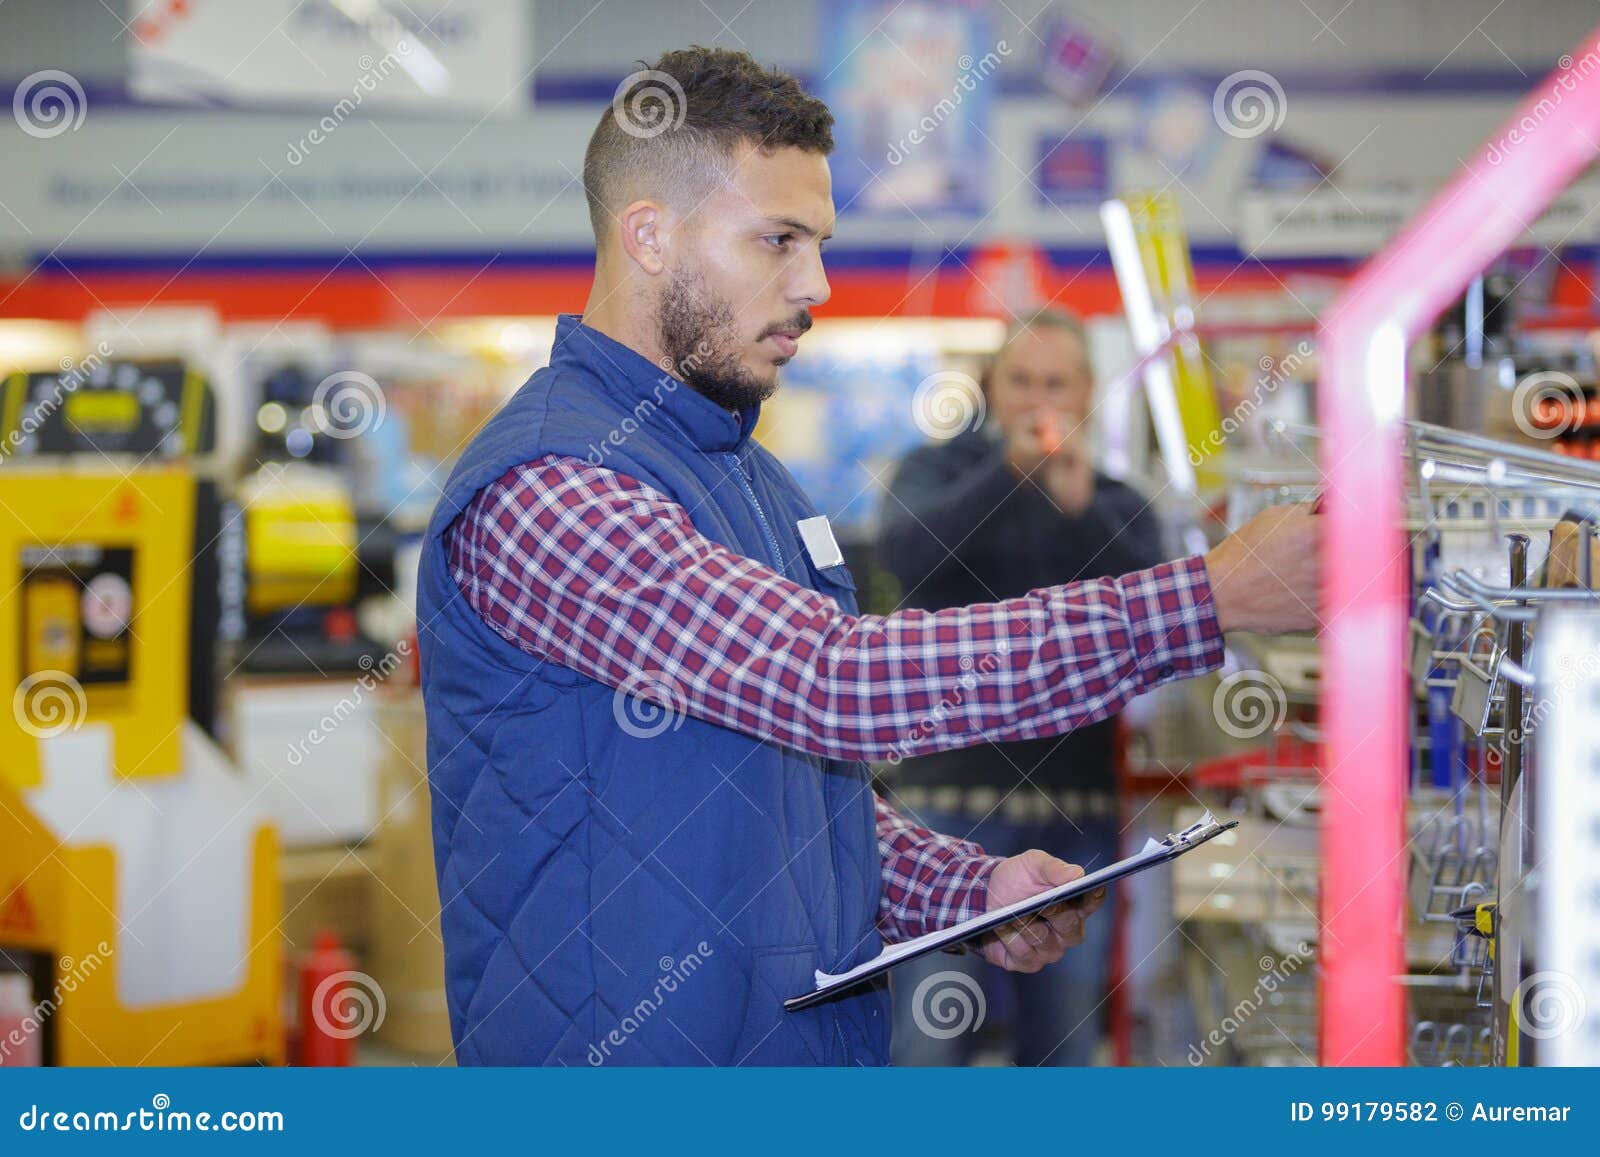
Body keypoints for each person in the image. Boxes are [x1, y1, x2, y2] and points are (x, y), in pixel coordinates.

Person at [415, 45, 1321, 1066]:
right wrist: (1213, 594)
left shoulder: (751, 482)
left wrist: (961, 887)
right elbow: (833, 682)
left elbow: (783, 792)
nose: (818, 283)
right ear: (650, 236)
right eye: (778, 241)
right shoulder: (557, 488)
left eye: (819, 242)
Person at [879, 308, 1166, 1067]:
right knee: (925, 1050)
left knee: (1065, 1052)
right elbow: (905, 550)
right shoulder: (934, 473)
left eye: (1057, 382)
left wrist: (1078, 514)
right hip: (943, 817)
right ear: (989, 387)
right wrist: (1007, 477)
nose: (1039, 399)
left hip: (1076, 823)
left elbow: (1154, 618)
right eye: (1022, 380)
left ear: (1088, 393)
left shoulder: (1115, 503)